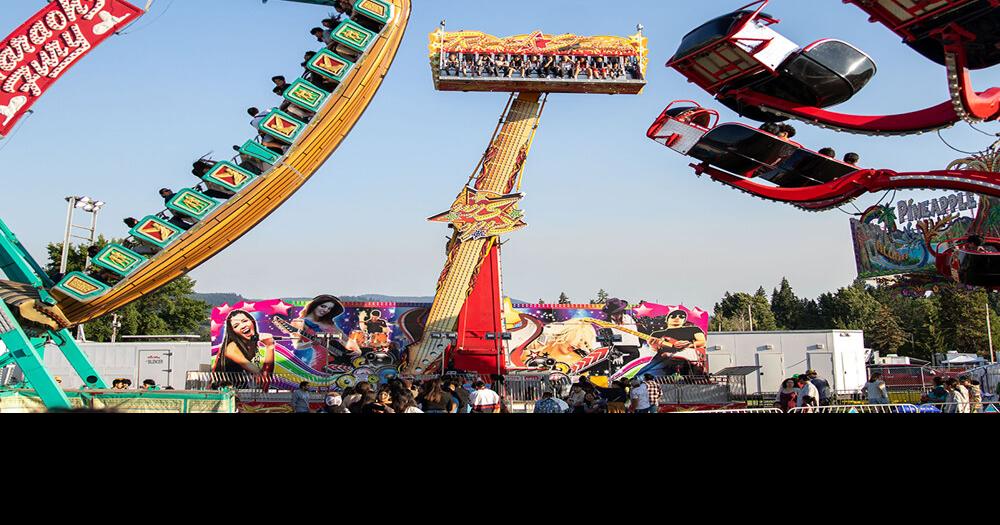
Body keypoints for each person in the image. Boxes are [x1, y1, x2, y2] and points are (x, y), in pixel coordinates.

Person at [291, 294, 361, 372]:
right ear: (314, 305)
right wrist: (311, 343)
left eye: (329, 308)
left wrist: (357, 350)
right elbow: (297, 345)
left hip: (339, 363)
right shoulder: (299, 322)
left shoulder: (329, 323)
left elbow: (346, 339)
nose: (326, 310)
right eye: (323, 306)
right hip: (320, 364)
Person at [212, 309, 276, 389]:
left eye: (244, 321)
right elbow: (262, 376)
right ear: (233, 331)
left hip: (240, 389)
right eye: (236, 326)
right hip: (226, 391)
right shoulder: (232, 348)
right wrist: (270, 347)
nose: (242, 326)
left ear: (252, 322)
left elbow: (266, 378)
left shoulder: (251, 343)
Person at [635, 308, 707, 378]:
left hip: (685, 359)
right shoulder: (657, 334)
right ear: (667, 319)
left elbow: (702, 342)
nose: (677, 318)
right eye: (673, 316)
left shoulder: (693, 329)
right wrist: (653, 345)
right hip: (662, 359)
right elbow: (654, 350)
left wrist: (687, 345)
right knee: (641, 375)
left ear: (684, 320)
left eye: (681, 317)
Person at [593, 298, 641, 376]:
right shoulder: (605, 324)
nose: (616, 316)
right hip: (616, 351)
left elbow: (638, 334)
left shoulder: (630, 319)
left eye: (618, 313)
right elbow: (605, 342)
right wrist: (617, 354)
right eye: (613, 314)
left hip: (633, 351)